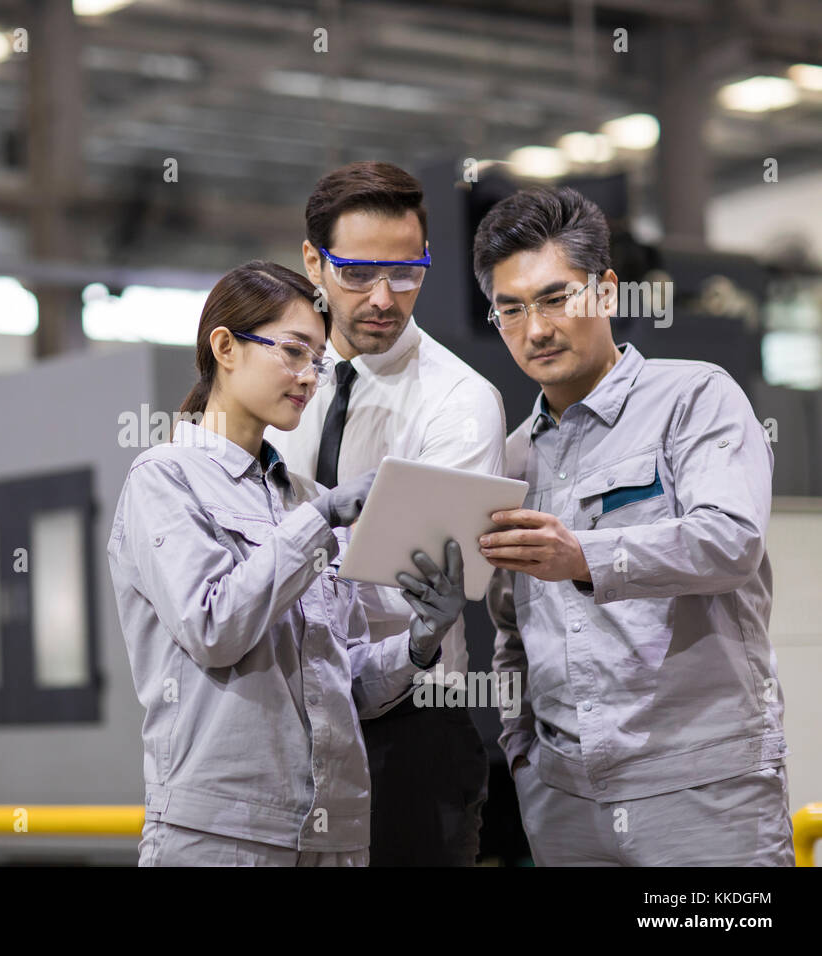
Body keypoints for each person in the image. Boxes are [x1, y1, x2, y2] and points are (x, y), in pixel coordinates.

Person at [474, 185, 794, 866]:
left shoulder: (695, 399)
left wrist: (582, 556)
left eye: (556, 298)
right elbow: (512, 630)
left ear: (608, 291)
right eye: (511, 308)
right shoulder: (512, 458)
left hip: (701, 787)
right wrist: (522, 750)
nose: (535, 329)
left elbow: (729, 540)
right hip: (562, 797)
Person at [107, 260, 466, 866]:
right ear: (224, 346)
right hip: (224, 834)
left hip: (337, 833)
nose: (308, 378)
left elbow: (343, 678)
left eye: (318, 362)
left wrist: (419, 643)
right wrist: (321, 520)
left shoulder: (301, 497)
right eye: (294, 352)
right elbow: (214, 629)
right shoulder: (164, 479)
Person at [264, 161, 505, 865]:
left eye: (407, 273)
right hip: (288, 713)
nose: (384, 298)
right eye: (358, 272)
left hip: (411, 725)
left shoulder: (458, 403)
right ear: (313, 259)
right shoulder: (272, 394)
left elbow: (416, 578)